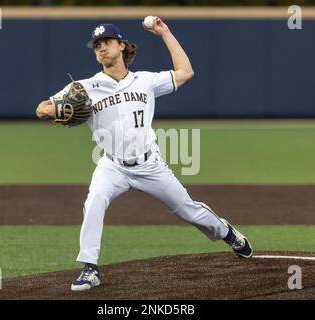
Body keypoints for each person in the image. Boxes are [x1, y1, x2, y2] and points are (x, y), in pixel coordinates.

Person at [35, 18, 252, 292]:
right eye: (97, 45)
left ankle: (227, 232)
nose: (101, 48)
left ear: (121, 45)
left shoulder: (145, 81)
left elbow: (185, 72)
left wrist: (165, 33)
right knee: (95, 201)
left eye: (107, 42)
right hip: (112, 165)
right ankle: (90, 268)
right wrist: (54, 110)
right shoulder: (84, 88)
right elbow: (41, 108)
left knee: (187, 210)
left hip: (150, 164)